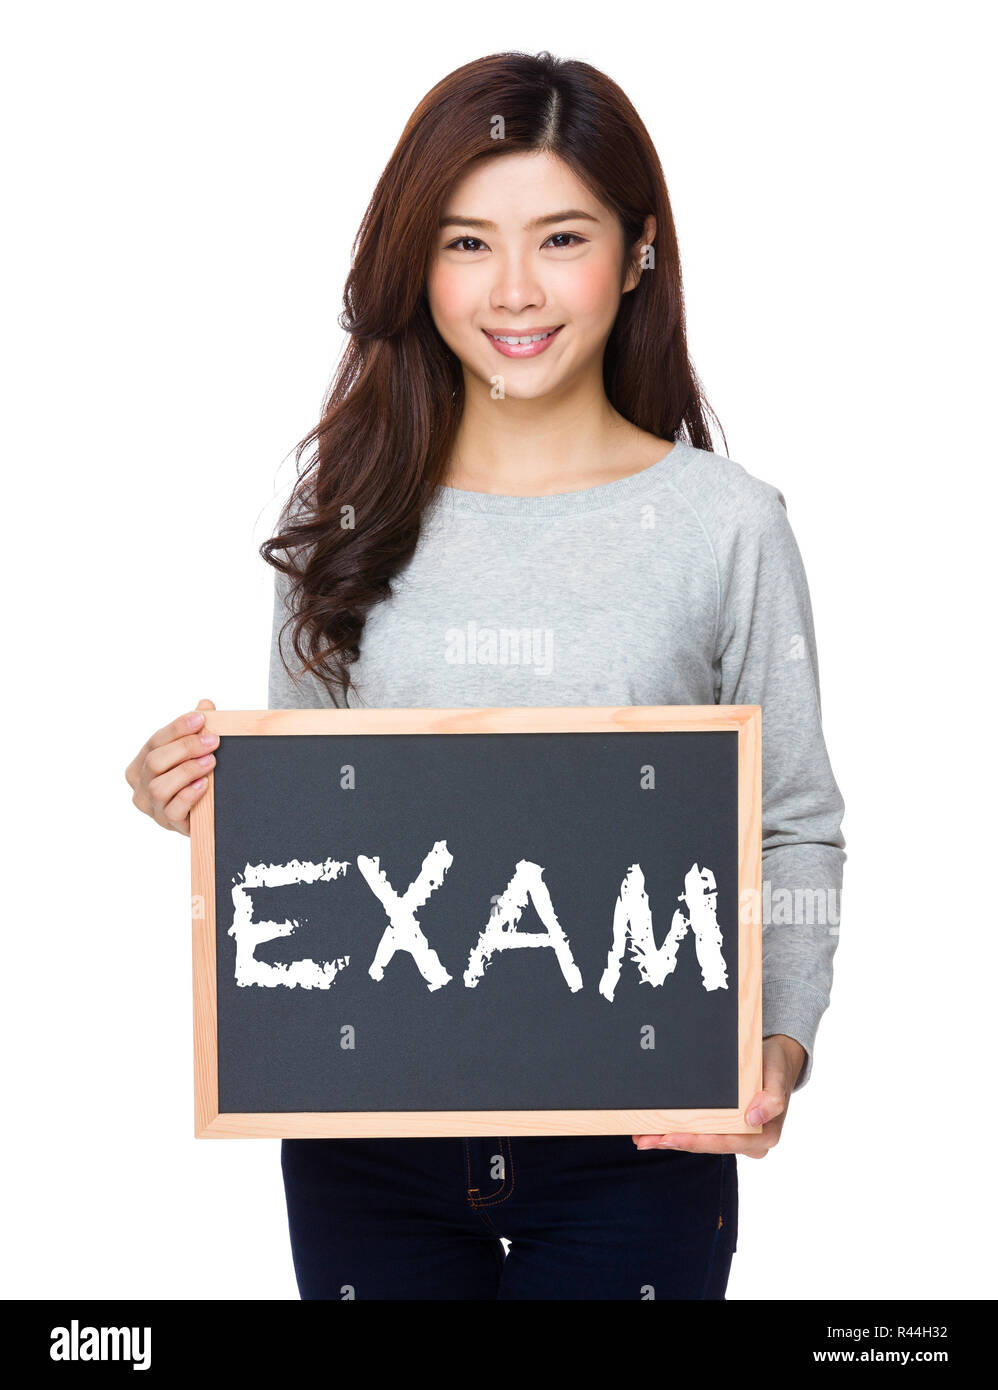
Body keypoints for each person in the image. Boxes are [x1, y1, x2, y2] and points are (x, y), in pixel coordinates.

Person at [125, 50, 846, 1300]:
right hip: (367, 1140)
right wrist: (195, 800)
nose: (512, 289)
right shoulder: (339, 519)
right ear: (417, 263)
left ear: (635, 251)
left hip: (640, 1134)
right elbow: (317, 843)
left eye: (558, 236)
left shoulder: (725, 525)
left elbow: (789, 825)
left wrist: (778, 1043)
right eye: (465, 243)